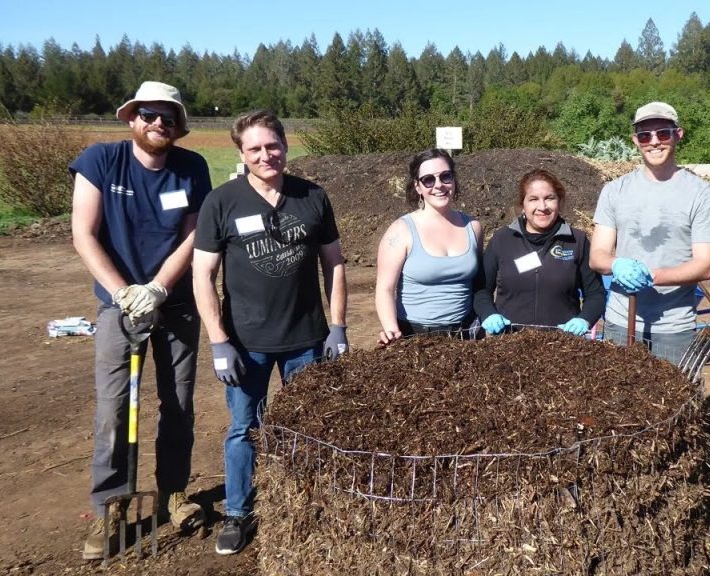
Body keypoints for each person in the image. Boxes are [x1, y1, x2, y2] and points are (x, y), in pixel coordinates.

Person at [192, 110, 349, 555]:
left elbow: (334, 263)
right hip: (247, 344)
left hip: (307, 341)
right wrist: (218, 341)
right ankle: (238, 513)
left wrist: (338, 327)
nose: (266, 155)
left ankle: (308, 506)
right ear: (242, 153)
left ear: (285, 144)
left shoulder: (312, 196)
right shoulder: (222, 202)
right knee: (244, 428)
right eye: (255, 149)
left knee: (309, 427)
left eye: (273, 145)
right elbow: (202, 275)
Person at [70, 81, 210, 560]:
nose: (158, 124)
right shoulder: (101, 161)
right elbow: (83, 233)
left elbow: (194, 237)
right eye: (149, 114)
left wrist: (158, 289)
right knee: (115, 409)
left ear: (178, 126)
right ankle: (110, 506)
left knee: (179, 405)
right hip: (119, 306)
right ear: (132, 118)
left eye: (168, 118)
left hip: (176, 305)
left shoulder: (191, 167)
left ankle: (174, 492)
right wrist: (124, 292)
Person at [588, 101, 710, 363]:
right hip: (620, 323)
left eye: (663, 133)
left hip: (674, 329)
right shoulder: (615, 190)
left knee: (672, 391)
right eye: (645, 136)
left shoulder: (701, 194)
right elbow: (597, 255)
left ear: (678, 135)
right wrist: (617, 264)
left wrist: (653, 276)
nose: (655, 141)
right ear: (635, 140)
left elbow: (706, 265)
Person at [473, 169, 605, 335]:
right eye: (533, 199)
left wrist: (584, 319)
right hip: (509, 341)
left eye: (549, 198)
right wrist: (488, 313)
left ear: (559, 202)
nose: (542, 207)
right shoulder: (502, 239)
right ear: (523, 204)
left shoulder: (577, 241)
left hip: (563, 342)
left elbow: (596, 294)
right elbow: (481, 290)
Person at [375, 149, 482, 344]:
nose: (439, 185)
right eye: (428, 180)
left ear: (454, 179)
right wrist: (392, 330)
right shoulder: (401, 231)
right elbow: (385, 289)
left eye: (445, 176)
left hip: (465, 335)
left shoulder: (473, 227)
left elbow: (478, 283)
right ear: (418, 187)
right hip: (416, 337)